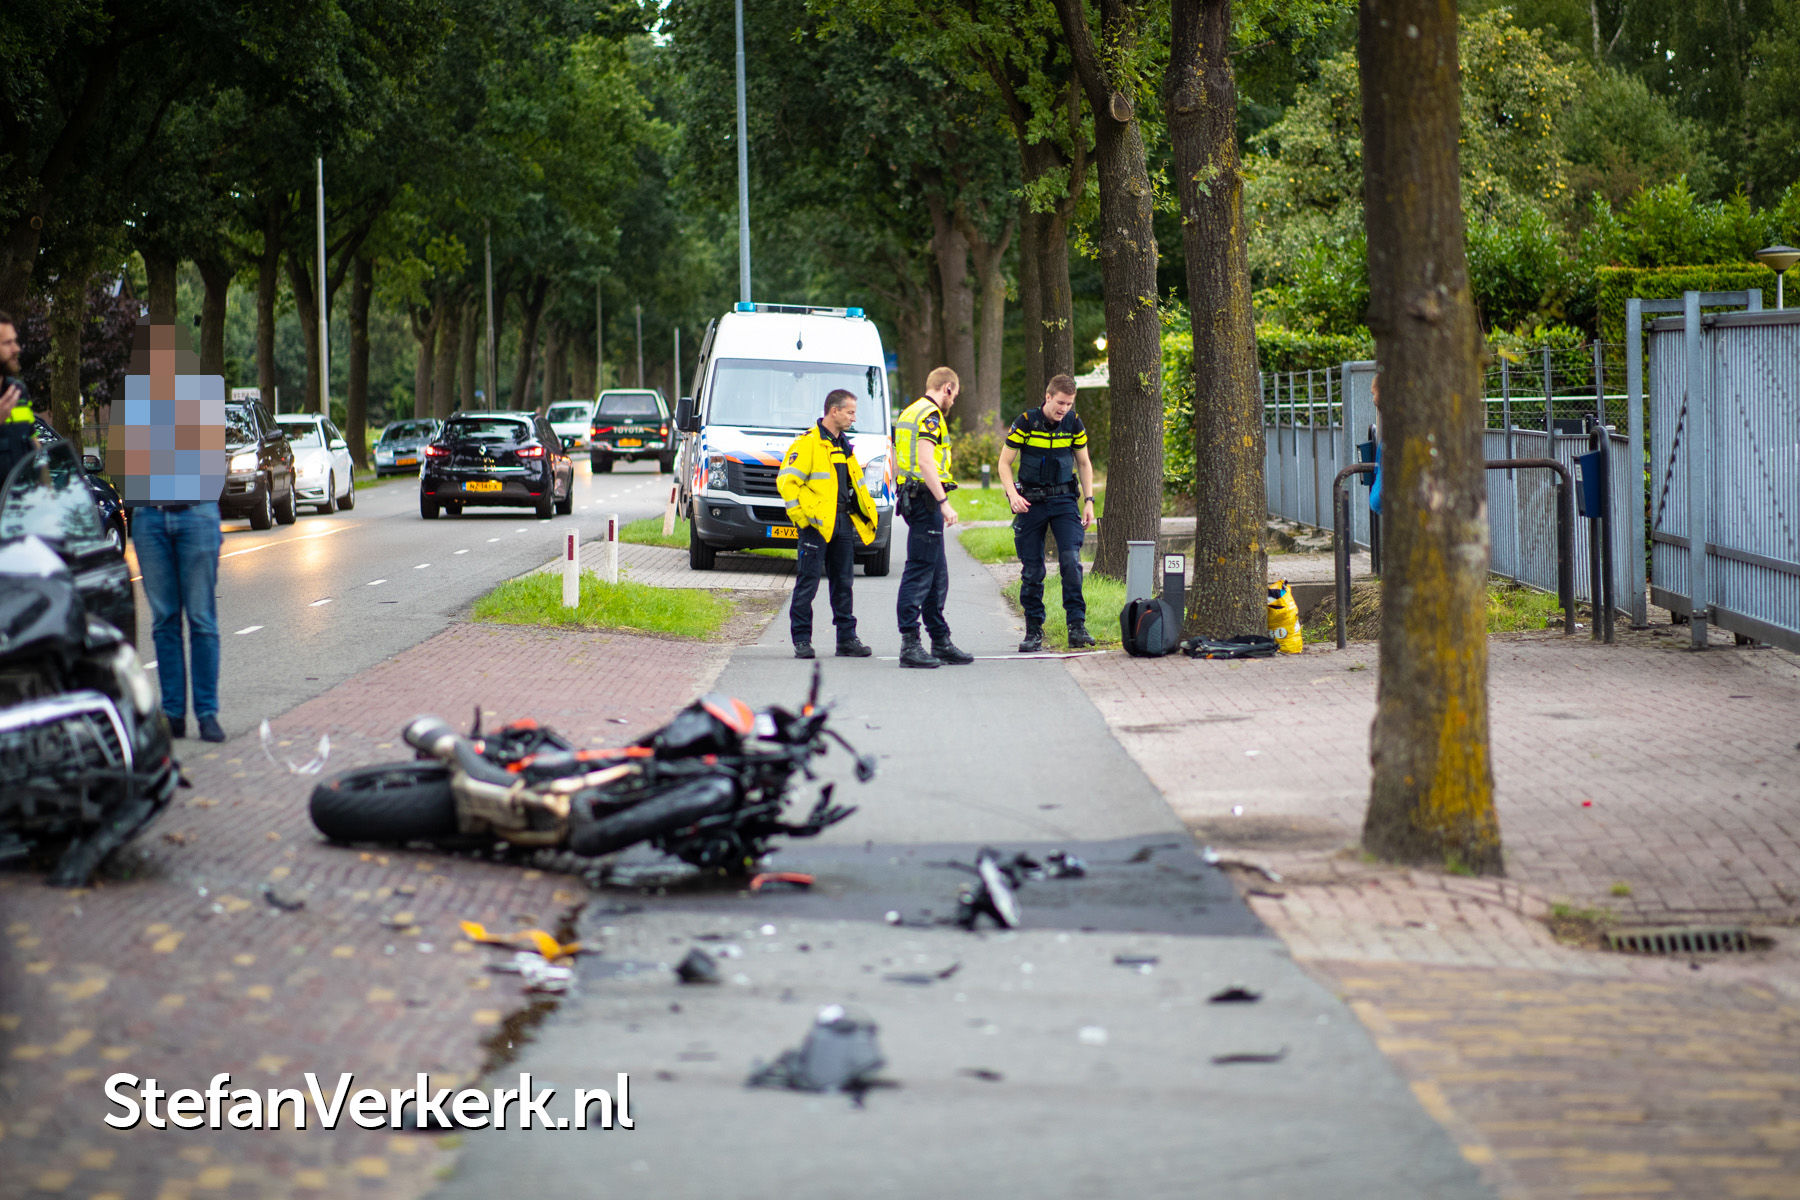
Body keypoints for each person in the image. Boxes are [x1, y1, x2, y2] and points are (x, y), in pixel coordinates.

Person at [125, 320, 226, 742]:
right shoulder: (135, 401)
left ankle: (206, 712)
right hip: (150, 518)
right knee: (164, 620)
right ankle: (173, 715)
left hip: (195, 515)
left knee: (201, 617)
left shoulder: (202, 397)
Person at [777, 388, 878, 659]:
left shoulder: (842, 444)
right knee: (808, 583)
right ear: (834, 411)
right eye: (850, 412)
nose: (854, 418)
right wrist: (802, 519)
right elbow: (787, 483)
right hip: (816, 525)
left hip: (842, 523)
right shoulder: (808, 443)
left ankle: (846, 640)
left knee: (844, 583)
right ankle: (801, 640)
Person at [999, 373, 1096, 652]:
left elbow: (1084, 463)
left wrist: (1089, 501)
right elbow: (1004, 464)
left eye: (1069, 404)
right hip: (1030, 501)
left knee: (1071, 561)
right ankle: (1033, 631)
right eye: (1060, 403)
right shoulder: (1026, 422)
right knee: (1032, 570)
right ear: (1048, 397)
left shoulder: (1073, 423)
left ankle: (1077, 627)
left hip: (1064, 500)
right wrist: (1013, 495)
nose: (1063, 408)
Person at [892, 366, 973, 669]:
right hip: (925, 501)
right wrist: (943, 502)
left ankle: (940, 640)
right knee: (920, 572)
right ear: (948, 388)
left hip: (913, 498)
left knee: (937, 575)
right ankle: (910, 644)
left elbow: (901, 460)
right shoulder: (931, 415)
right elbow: (926, 462)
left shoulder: (909, 411)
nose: (954, 401)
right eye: (955, 394)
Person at [0, 311, 37, 482]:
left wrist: (50, 495)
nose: (17, 349)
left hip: (23, 506)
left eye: (15, 341)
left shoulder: (18, 392)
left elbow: (35, 447)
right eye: (8, 343)